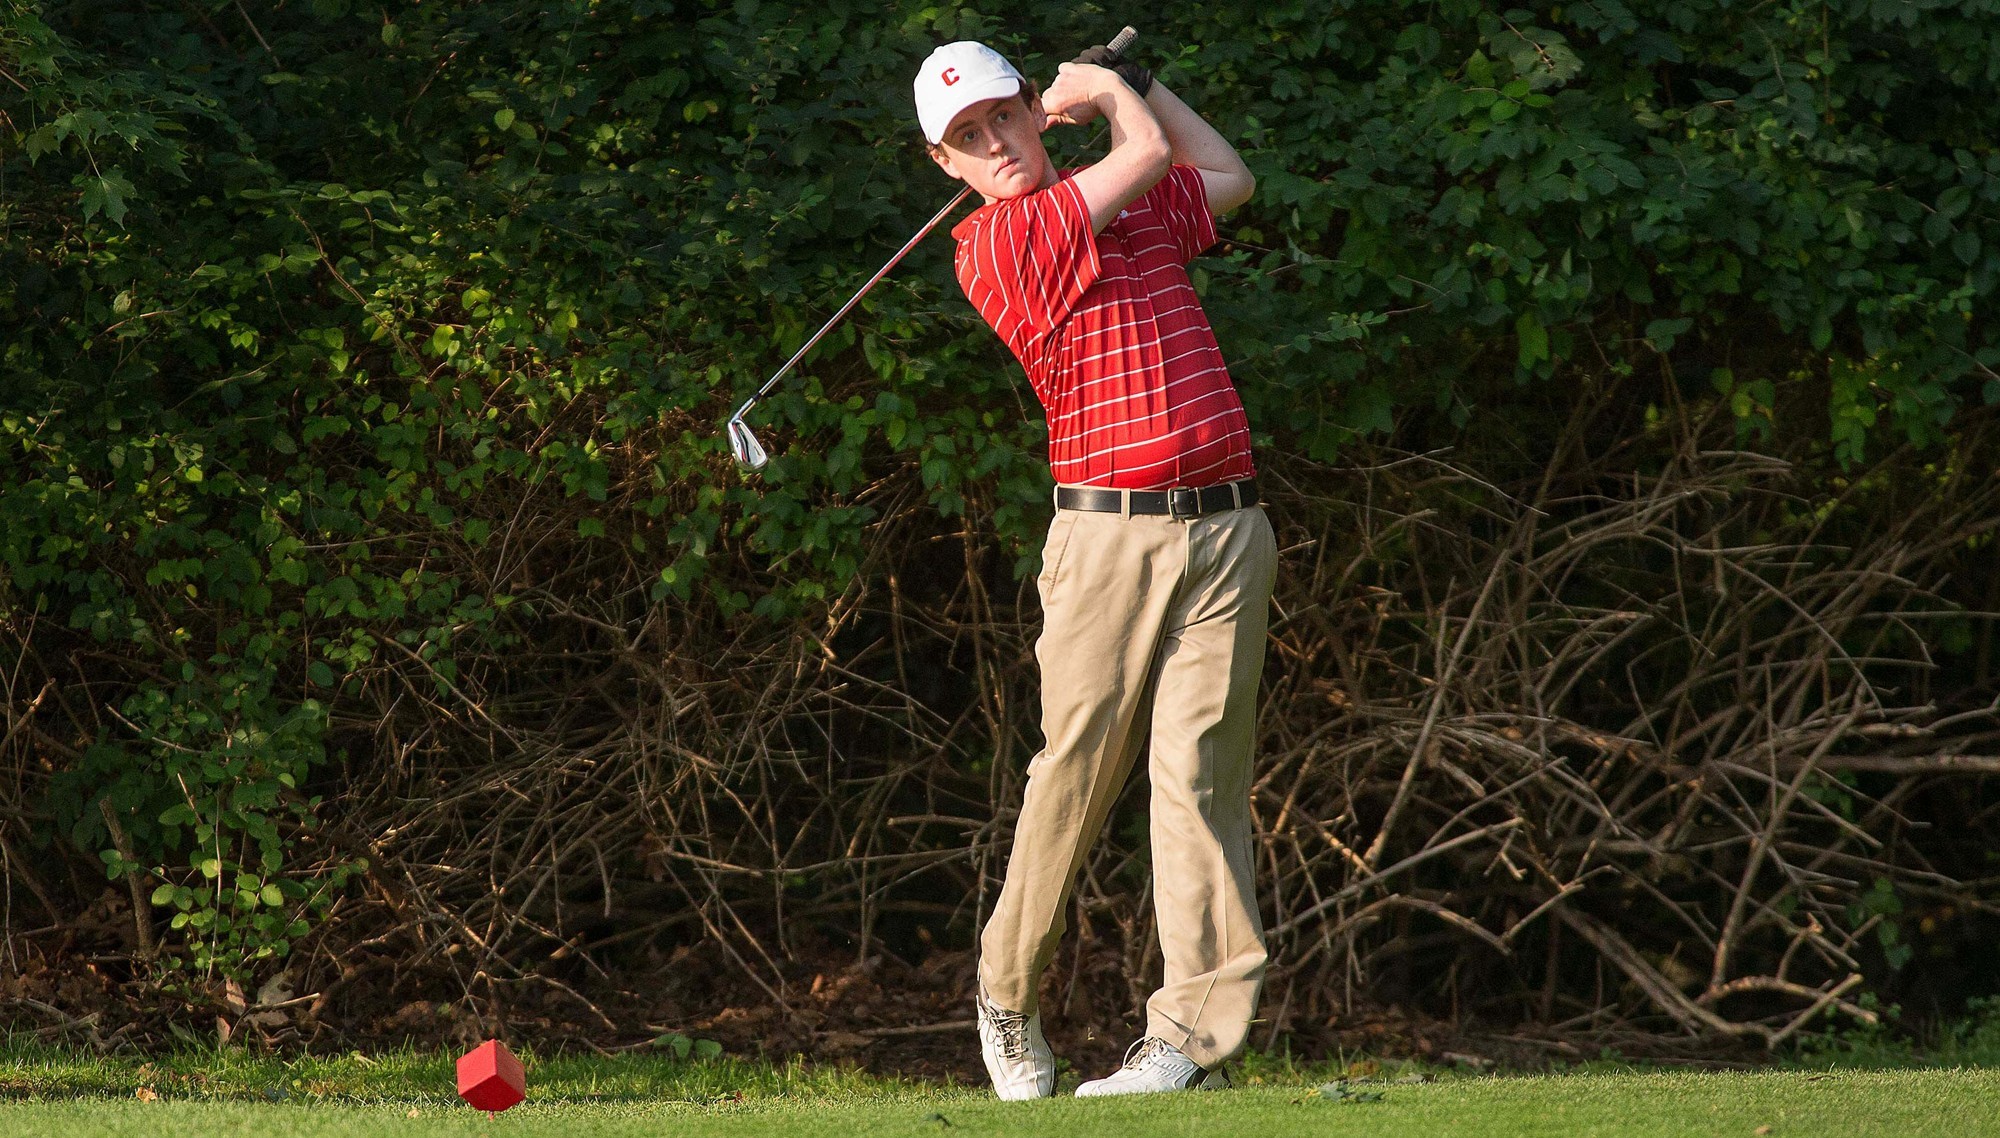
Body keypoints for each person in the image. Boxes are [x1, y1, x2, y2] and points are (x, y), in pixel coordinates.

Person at [911, 39, 1279, 1098]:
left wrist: (1140, 81)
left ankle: (1188, 1046)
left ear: (1034, 111)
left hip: (1225, 529)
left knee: (1199, 781)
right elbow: (1150, 147)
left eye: (1001, 119)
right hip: (1107, 538)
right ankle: (1004, 990)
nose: (993, 146)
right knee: (1071, 775)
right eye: (965, 141)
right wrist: (1115, 94)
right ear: (949, 167)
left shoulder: (1125, 206)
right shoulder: (997, 243)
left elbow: (1224, 178)